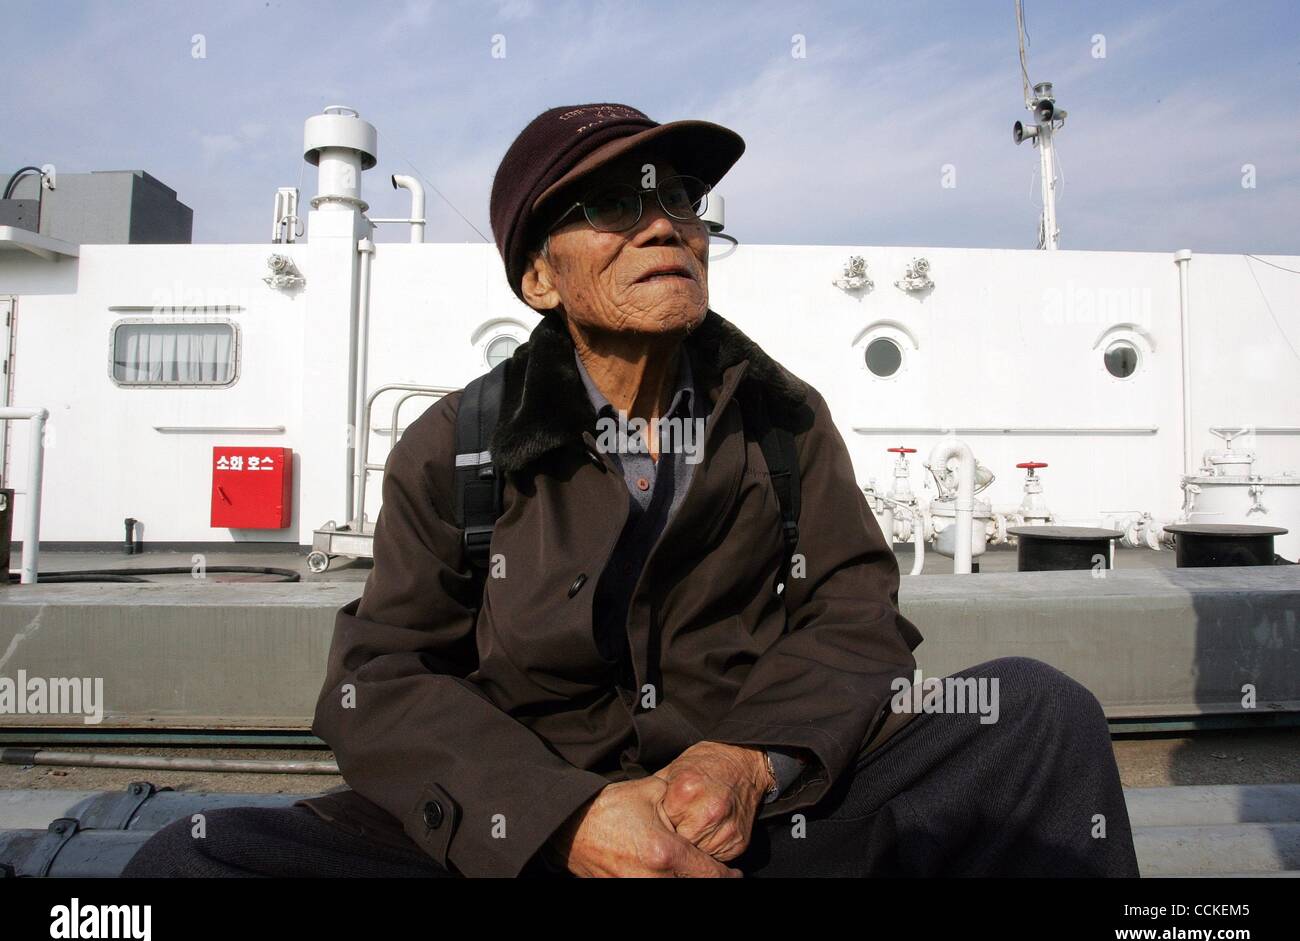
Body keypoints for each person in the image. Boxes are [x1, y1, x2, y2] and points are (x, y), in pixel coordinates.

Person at [124, 103, 1138, 878]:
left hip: (754, 826)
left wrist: (753, 760)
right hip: (525, 837)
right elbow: (380, 676)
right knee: (182, 867)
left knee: (1036, 713)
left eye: (679, 200)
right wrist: (561, 815)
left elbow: (854, 616)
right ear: (538, 277)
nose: (665, 225)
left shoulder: (783, 421)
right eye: (612, 204)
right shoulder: (457, 447)